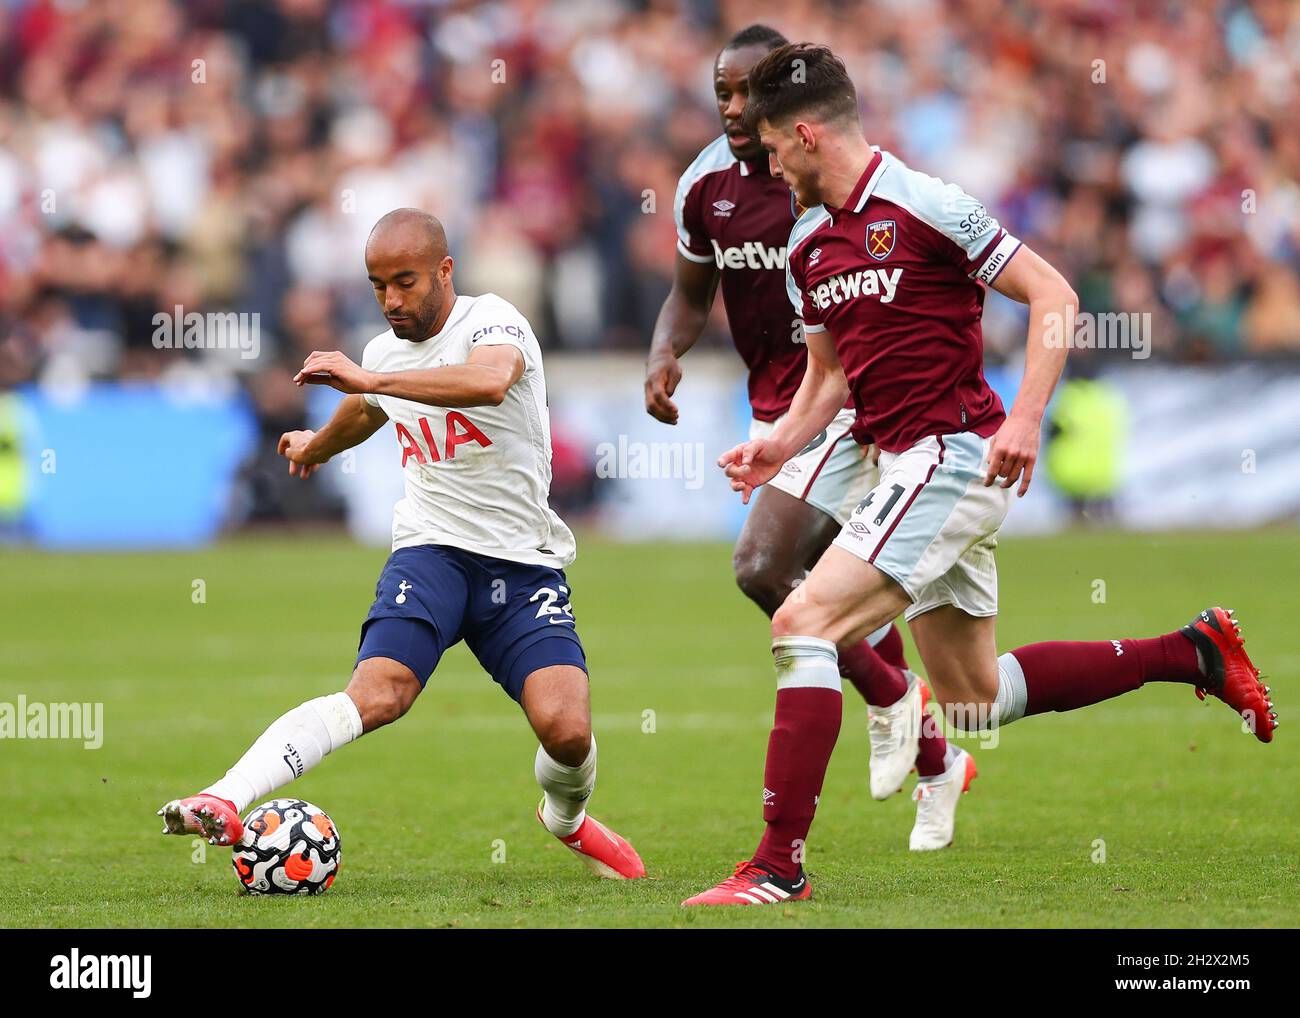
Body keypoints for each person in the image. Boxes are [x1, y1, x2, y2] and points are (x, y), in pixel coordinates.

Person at [686, 44, 1275, 907]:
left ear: (807, 134)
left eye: (773, 149)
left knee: (803, 621)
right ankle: (1190, 652)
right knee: (972, 700)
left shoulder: (928, 205)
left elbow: (1054, 296)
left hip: (953, 456)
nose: (767, 165)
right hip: (901, 463)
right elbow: (830, 379)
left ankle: (778, 866)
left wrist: (1028, 415)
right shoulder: (808, 240)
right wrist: (778, 445)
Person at [159, 208, 645, 882]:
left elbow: (487, 382)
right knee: (379, 692)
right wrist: (316, 445)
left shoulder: (492, 323)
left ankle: (564, 820)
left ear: (446, 271)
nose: (391, 300)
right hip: (432, 553)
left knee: (566, 730)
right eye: (378, 285)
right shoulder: (385, 355)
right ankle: (224, 796)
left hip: (522, 566)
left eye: (406, 282)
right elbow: (365, 410)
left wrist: (369, 379)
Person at [646, 24, 962, 850]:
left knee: (764, 566)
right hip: (781, 411)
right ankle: (930, 741)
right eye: (722, 91)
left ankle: (890, 712)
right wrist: (663, 352)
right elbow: (688, 292)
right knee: (787, 581)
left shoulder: (819, 170)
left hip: (848, 400)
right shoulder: (703, 186)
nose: (735, 107)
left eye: (750, 91)